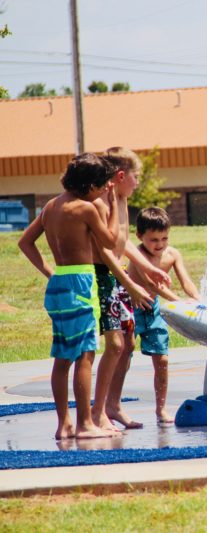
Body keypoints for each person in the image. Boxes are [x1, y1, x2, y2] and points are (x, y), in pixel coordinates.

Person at [17, 153, 119, 440]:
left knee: (63, 358)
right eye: (101, 187)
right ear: (89, 186)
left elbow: (25, 242)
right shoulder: (85, 208)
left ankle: (64, 424)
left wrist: (50, 272)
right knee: (85, 355)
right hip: (81, 283)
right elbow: (111, 241)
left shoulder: (51, 206)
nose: (103, 192)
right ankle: (86, 424)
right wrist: (111, 204)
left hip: (60, 281)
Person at [90, 147, 170, 431]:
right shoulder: (104, 203)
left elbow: (122, 246)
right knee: (115, 345)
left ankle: (112, 405)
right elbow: (106, 251)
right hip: (105, 277)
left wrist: (148, 268)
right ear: (121, 175)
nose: (138, 181)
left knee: (127, 344)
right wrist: (132, 285)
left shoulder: (121, 199)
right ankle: (98, 410)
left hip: (118, 277)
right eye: (136, 176)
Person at [127, 207, 200, 425]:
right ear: (139, 236)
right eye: (153, 240)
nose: (160, 244)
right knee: (123, 359)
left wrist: (198, 300)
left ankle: (161, 410)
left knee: (163, 360)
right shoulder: (138, 255)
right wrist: (179, 303)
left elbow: (186, 282)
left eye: (164, 238)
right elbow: (151, 284)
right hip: (131, 308)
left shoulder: (172, 254)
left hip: (153, 309)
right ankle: (111, 406)